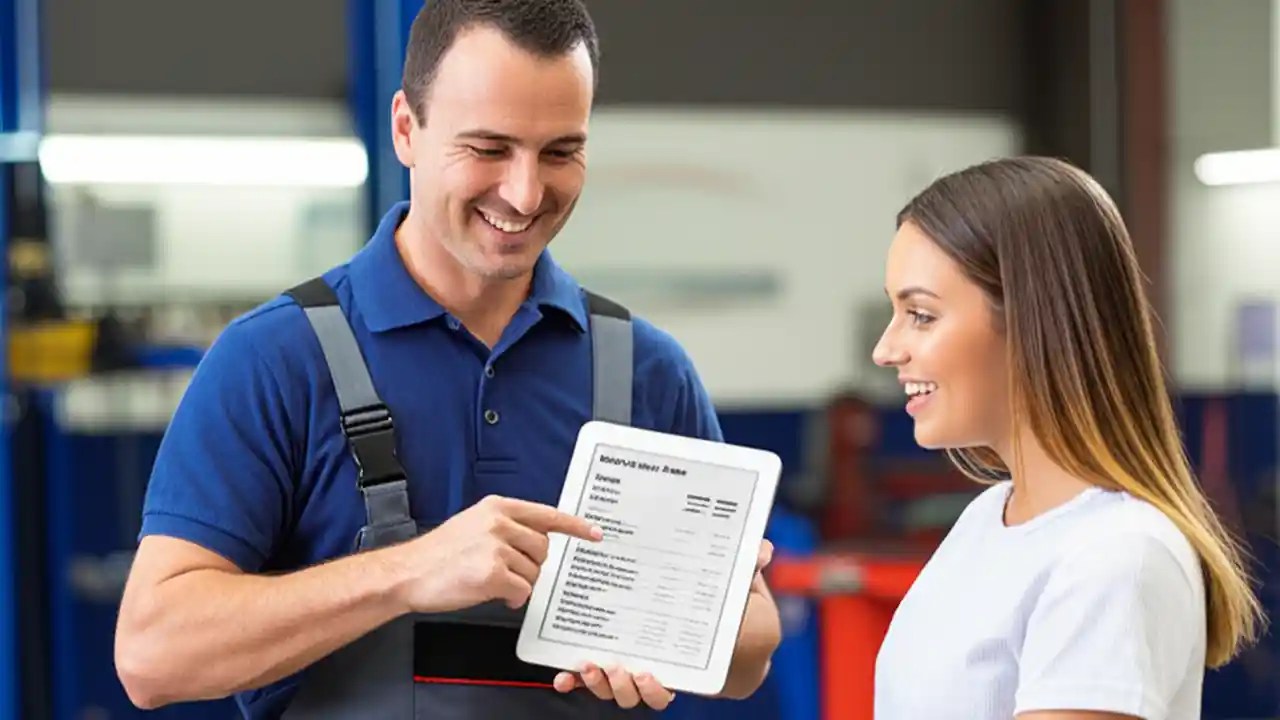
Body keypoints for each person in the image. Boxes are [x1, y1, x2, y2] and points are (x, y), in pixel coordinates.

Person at [112, 1, 782, 718]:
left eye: (560, 152)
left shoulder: (646, 371)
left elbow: (753, 643)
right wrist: (410, 572)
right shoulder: (275, 360)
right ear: (407, 129)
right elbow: (153, 656)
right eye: (489, 149)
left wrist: (665, 627)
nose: (525, 194)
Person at [870, 156, 1264, 720]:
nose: (886, 349)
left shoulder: (1115, 555)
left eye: (921, 315)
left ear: (1032, 320)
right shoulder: (987, 519)